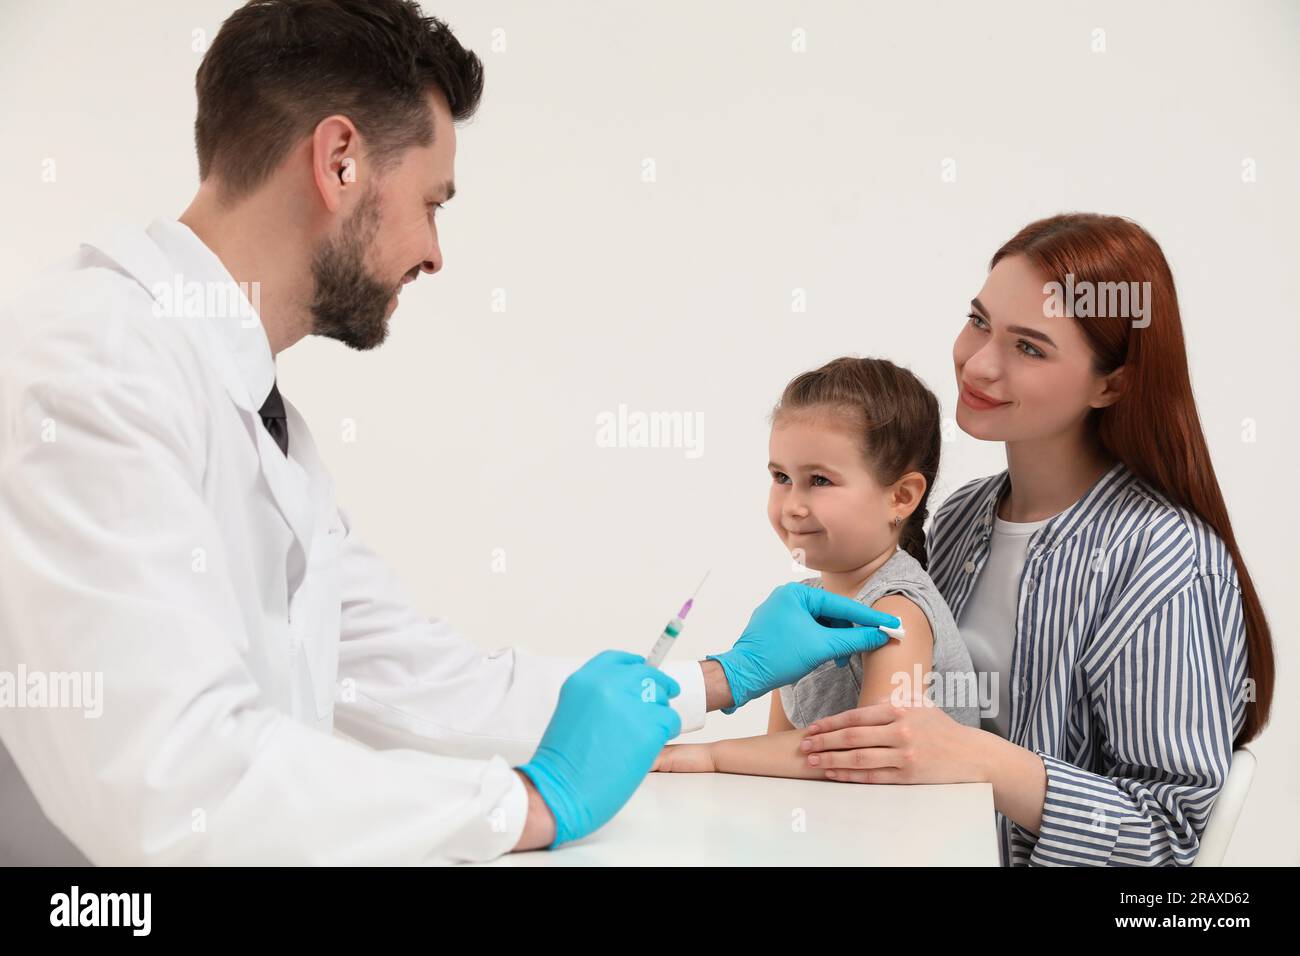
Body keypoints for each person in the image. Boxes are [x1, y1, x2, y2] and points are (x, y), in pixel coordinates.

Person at [0, 0, 899, 865]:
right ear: (340, 160)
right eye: (434, 202)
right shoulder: (94, 358)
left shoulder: (261, 418)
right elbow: (172, 781)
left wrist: (712, 680)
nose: (436, 253)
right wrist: (528, 804)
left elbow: (417, 680)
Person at [797, 214, 1275, 866]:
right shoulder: (963, 514)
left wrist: (982, 760)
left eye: (1029, 348)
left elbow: (1165, 838)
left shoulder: (1163, 559)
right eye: (979, 321)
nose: (979, 363)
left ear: (1112, 383)